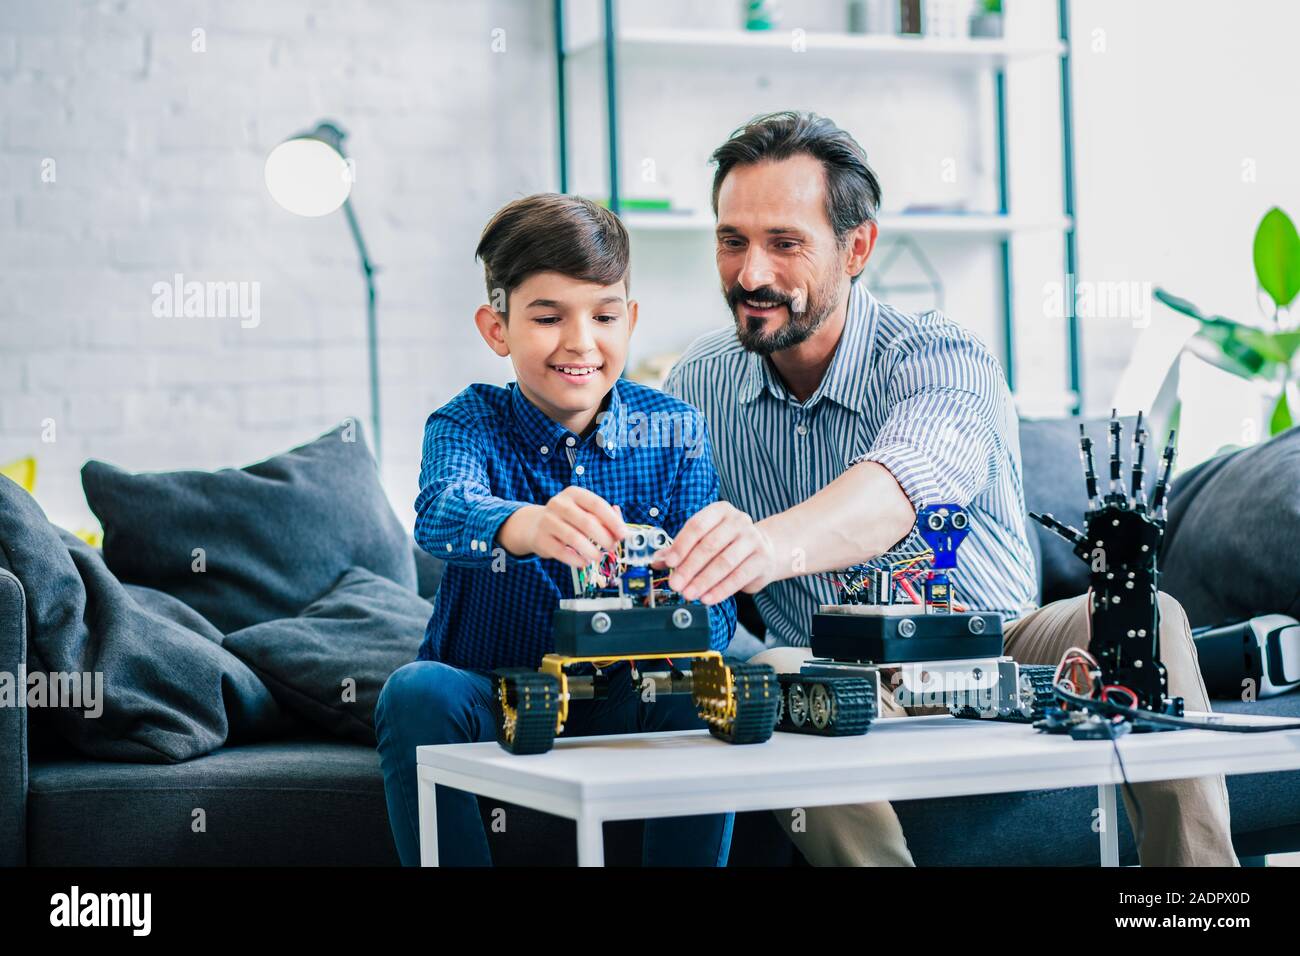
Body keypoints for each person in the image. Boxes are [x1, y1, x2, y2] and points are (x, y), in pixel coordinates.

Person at [659, 110, 1236, 867]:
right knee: (777, 670)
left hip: (996, 648)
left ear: (857, 247)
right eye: (732, 241)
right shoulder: (696, 386)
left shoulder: (941, 356)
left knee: (1150, 614)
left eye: (785, 243)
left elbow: (902, 489)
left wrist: (765, 546)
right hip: (832, 673)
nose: (751, 273)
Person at [374, 193, 736, 866]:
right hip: (496, 691)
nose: (580, 341)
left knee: (709, 695)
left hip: (629, 691)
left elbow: (713, 623)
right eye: (548, 317)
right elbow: (439, 513)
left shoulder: (676, 428)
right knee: (414, 692)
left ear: (629, 322)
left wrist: (683, 592)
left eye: (603, 316)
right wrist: (525, 523)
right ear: (497, 329)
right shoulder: (467, 423)